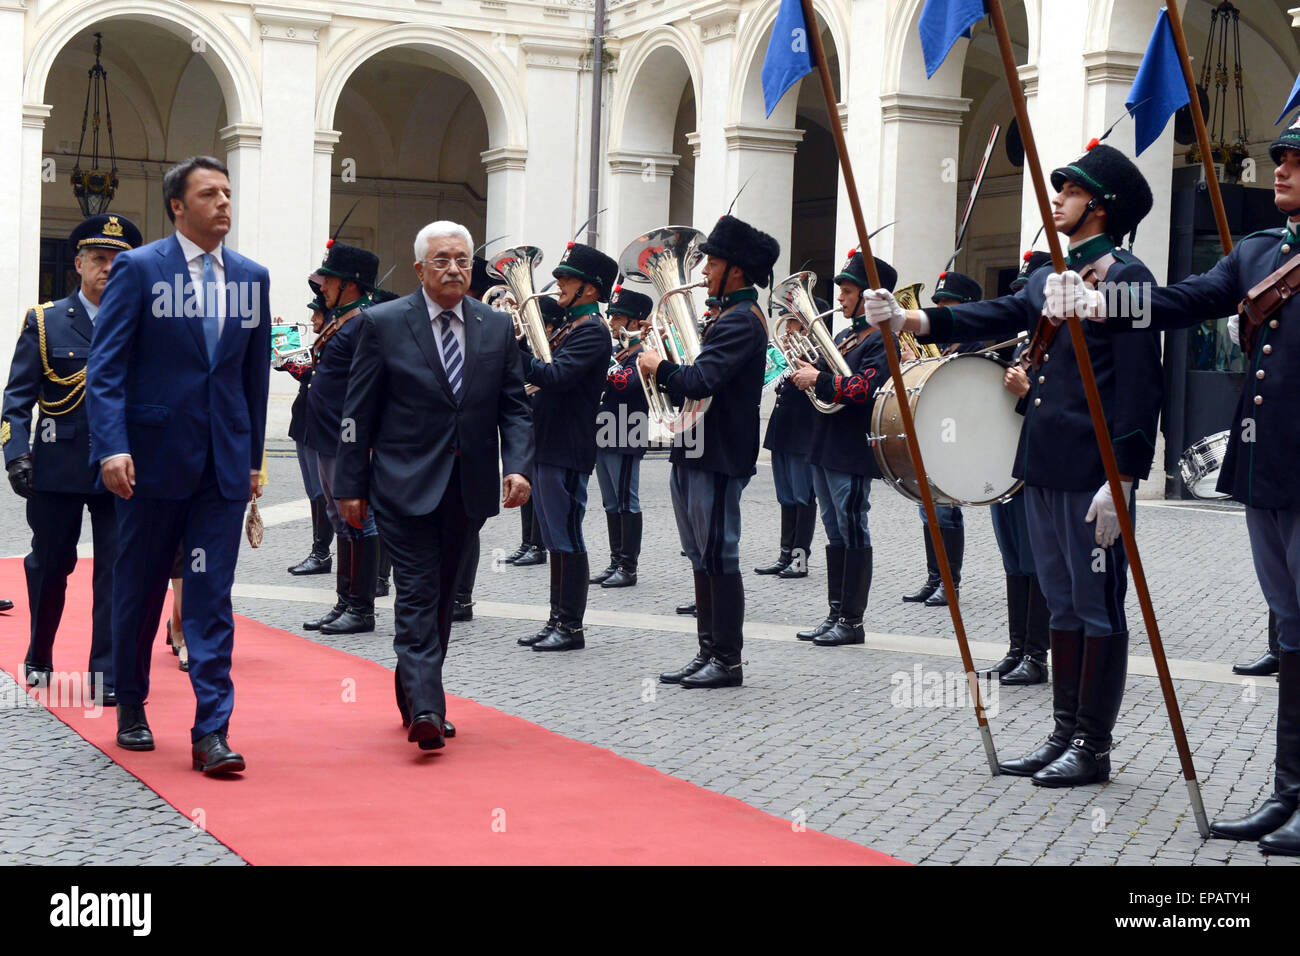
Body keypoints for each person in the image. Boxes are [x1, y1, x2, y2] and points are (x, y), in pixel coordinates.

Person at [864, 142, 1162, 788]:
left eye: (1071, 190)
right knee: (1060, 603)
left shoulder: (1128, 279)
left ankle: (1094, 744)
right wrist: (912, 316)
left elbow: (1141, 388)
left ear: (1101, 208)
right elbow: (994, 314)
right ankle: (1063, 733)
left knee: (1096, 605)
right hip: (1044, 460)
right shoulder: (1054, 274)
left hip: (1092, 470)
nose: (1057, 198)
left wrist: (1125, 477)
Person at [1096, 120, 1300, 852]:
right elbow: (1184, 301)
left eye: (1294, 160)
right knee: (1290, 627)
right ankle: (1288, 793)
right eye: (1278, 157)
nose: (1279, 169)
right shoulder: (1258, 253)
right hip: (1271, 468)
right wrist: (1101, 304)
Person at [86, 155, 271, 774]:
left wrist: (250, 463)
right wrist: (112, 447)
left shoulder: (252, 276)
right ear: (177, 206)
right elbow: (106, 368)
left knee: (210, 597)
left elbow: (252, 379)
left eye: (227, 192)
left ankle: (211, 731)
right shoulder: (139, 270)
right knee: (138, 590)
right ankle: (131, 704)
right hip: (150, 465)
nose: (224, 202)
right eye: (209, 193)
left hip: (220, 470)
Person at [334, 220, 532, 751]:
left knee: (443, 597)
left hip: (467, 490)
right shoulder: (382, 324)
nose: (454, 269)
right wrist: (348, 484)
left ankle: (413, 690)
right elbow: (357, 412)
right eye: (442, 260)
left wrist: (517, 465)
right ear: (420, 269)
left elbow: (514, 406)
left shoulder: (494, 326)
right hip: (401, 485)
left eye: (463, 260)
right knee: (418, 593)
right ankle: (428, 707)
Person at [3, 214, 142, 704]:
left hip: (121, 469)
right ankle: (40, 650)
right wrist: (16, 453)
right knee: (50, 564)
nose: (108, 268)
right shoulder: (44, 321)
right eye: (99, 259)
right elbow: (17, 398)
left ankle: (104, 673)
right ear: (79, 264)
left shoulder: (142, 324)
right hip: (57, 466)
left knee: (117, 570)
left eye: (118, 261)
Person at [640, 214, 778, 688]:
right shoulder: (726, 315)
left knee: (720, 554)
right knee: (701, 555)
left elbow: (700, 381)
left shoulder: (742, 320)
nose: (702, 272)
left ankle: (728, 660)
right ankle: (708, 651)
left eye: (712, 263)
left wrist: (659, 366)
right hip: (698, 447)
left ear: (735, 270)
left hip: (719, 453)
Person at [515, 242, 618, 651]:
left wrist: (511, 350)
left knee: (566, 535)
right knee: (555, 535)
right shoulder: (573, 327)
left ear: (590, 290)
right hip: (549, 441)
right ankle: (556, 617)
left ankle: (570, 626)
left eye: (567, 280)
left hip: (567, 445)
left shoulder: (592, 330)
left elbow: (555, 376)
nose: (559, 286)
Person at [788, 251, 893, 647]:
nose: (842, 299)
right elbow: (829, 375)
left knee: (851, 526)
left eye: (848, 292)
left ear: (869, 296)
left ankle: (852, 620)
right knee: (834, 531)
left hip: (851, 447)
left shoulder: (883, 339)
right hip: (825, 443)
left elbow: (864, 388)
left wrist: (819, 378)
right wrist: (804, 367)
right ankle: (835, 612)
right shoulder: (847, 336)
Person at [302, 241, 382, 636]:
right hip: (327, 433)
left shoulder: (363, 321)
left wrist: (358, 441)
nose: (324, 288)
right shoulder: (344, 319)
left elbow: (366, 388)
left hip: (345, 438)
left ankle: (361, 608)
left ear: (349, 284)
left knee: (358, 519)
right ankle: (344, 601)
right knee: (339, 517)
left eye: (330, 280)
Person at [981, 252, 1053, 687]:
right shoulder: (1018, 342)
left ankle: (1037, 655)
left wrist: (1027, 392)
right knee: (1013, 559)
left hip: (1037, 463)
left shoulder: (1060, 342)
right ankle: (1016, 647)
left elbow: (1067, 405)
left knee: (1034, 560)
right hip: (1004, 461)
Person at [899, 271, 983, 608]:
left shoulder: (976, 345)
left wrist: (925, 364)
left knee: (946, 510)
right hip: (932, 430)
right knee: (928, 507)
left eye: (949, 304)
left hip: (958, 434)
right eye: (939, 304)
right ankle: (935, 577)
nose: (942, 309)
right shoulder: (938, 343)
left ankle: (951, 584)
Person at [590, 284, 654, 589]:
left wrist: (599, 360)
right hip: (604, 430)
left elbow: (624, 383)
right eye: (612, 315)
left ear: (634, 322)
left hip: (627, 431)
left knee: (627, 500)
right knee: (610, 501)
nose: (612, 321)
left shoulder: (642, 352)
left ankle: (629, 566)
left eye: (618, 317)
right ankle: (615, 560)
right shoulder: (619, 351)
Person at [756, 312, 819, 580]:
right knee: (786, 496)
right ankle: (785, 555)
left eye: (793, 323)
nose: (788, 329)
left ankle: (800, 559)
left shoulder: (817, 354)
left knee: (803, 496)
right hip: (782, 430)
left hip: (803, 433)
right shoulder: (783, 352)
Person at [504, 297, 564, 569]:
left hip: (547, 423)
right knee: (525, 483)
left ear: (549, 326)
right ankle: (528, 542)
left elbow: (547, 375)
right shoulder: (537, 346)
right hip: (530, 418)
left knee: (538, 490)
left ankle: (538, 545)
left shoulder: (557, 349)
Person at [282, 299, 332, 577]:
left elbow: (320, 376)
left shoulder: (337, 339)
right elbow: (298, 370)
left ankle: (322, 552)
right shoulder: (320, 342)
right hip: (304, 422)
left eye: (316, 314)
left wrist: (299, 368)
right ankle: (319, 550)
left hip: (321, 425)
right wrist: (284, 351)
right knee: (313, 491)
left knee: (322, 492)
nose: (312, 319)